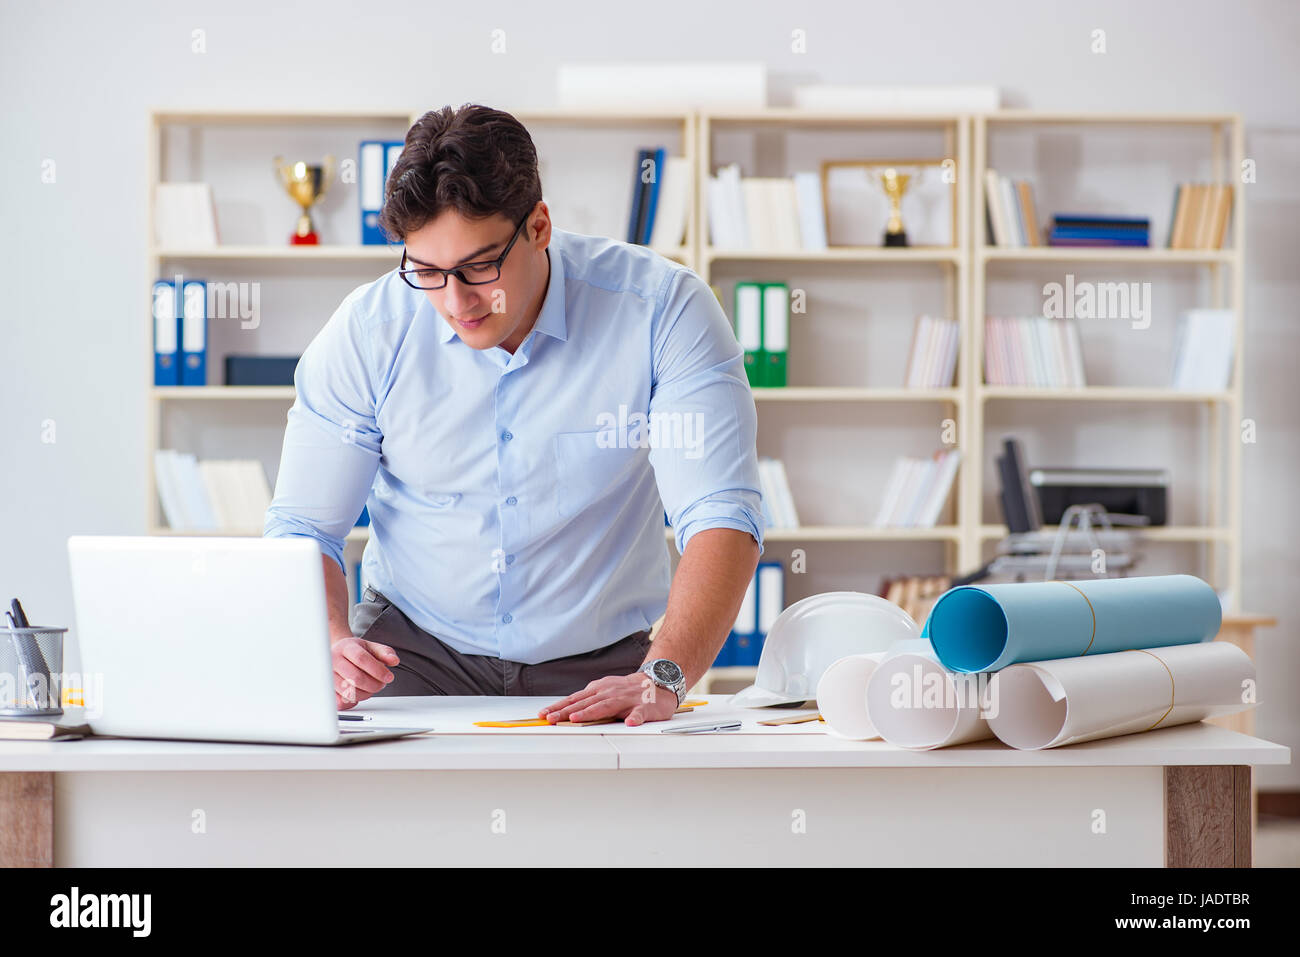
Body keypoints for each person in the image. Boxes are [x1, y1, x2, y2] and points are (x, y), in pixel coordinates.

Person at [264, 103, 763, 726]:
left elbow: (721, 514)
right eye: (426, 271)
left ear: (540, 227)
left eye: (478, 266)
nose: (455, 300)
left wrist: (664, 674)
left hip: (598, 669)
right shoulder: (369, 332)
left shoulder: (663, 310)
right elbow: (304, 529)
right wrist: (333, 637)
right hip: (409, 655)